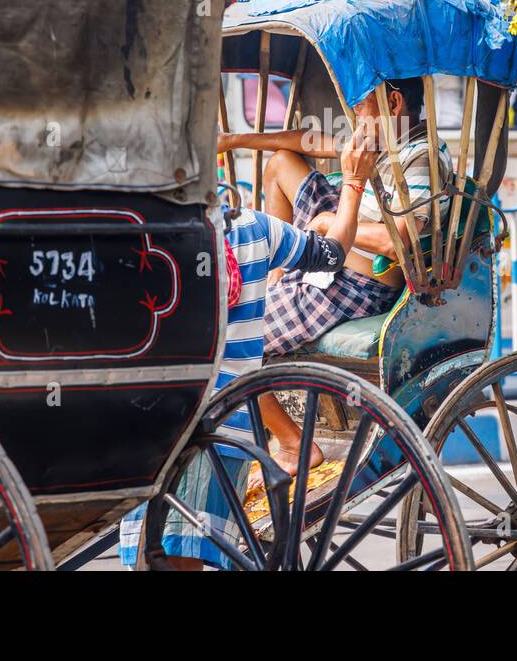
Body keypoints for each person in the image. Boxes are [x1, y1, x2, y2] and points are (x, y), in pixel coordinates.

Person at [117, 126, 379, 570]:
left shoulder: (140, 235)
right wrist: (353, 183)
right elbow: (333, 254)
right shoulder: (252, 229)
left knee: (151, 559)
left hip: (150, 427)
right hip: (223, 433)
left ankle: (292, 438)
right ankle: (290, 438)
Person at [218, 76, 451, 471]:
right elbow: (300, 141)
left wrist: (333, 222)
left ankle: (294, 443)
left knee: (225, 343)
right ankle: (277, 277)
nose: (354, 114)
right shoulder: (374, 143)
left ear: (393, 104)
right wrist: (234, 140)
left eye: (360, 105)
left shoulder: (419, 158)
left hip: (353, 285)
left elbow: (403, 243)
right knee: (280, 163)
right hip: (327, 261)